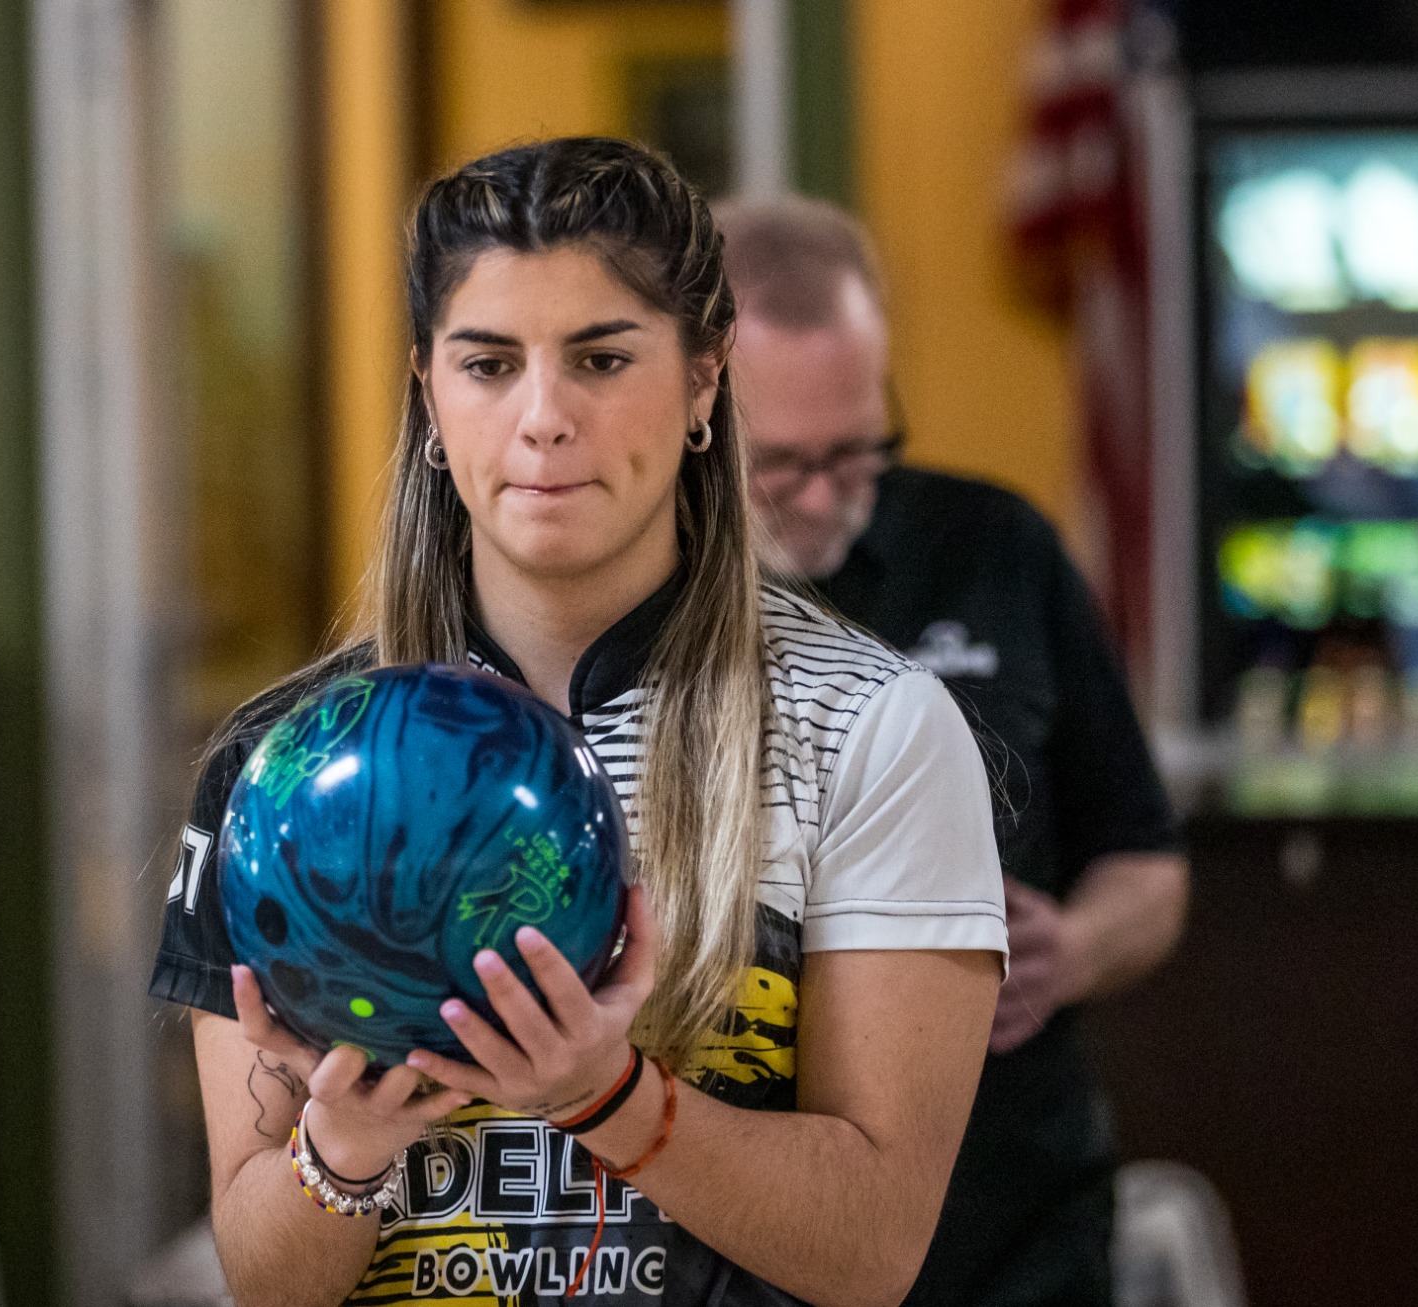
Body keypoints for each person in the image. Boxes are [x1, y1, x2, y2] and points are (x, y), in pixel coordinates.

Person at [150, 139, 1010, 1307]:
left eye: (601, 358)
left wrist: (601, 1093)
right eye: (488, 363)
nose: (543, 417)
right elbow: (265, 1283)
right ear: (427, 390)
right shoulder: (286, 765)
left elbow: (870, 1249)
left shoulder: (871, 729)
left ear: (705, 379)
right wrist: (343, 1147)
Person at [716, 196, 1189, 1307]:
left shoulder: (996, 547)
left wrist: (1074, 945)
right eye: (780, 465)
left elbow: (1148, 862)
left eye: (858, 448)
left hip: (1012, 1213)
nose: (827, 496)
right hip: (745, 1217)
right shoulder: (636, 594)